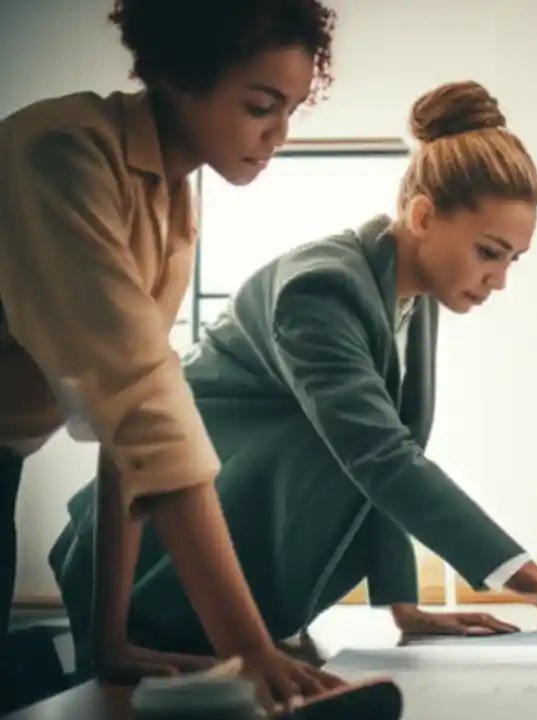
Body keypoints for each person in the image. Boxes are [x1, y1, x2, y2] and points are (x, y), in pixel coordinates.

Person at [51, 80, 537, 671]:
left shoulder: (411, 300)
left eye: (512, 260)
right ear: (422, 215)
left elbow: (392, 450)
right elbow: (381, 459)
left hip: (234, 579)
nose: (499, 280)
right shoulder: (321, 289)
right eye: (489, 252)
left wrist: (404, 607)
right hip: (149, 568)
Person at [0, 0, 342, 705]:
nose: (277, 133)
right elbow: (143, 404)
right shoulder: (60, 151)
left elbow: (130, 441)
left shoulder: (173, 205)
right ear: (184, 73)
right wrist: (245, 647)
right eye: (259, 106)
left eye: (291, 110)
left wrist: (110, 638)